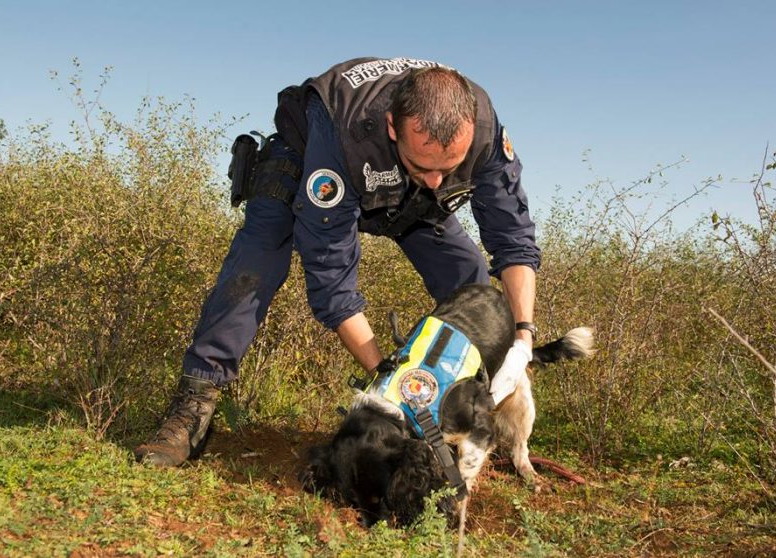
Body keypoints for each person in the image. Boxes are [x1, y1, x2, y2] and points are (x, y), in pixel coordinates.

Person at [133, 57, 541, 467]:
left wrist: (522, 337)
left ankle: (462, 415)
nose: (437, 181)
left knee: (471, 284)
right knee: (253, 269)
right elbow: (332, 281)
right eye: (424, 166)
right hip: (306, 160)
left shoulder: (483, 131)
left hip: (400, 194)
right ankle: (192, 408)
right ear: (392, 127)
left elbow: (514, 238)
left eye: (448, 169)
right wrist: (389, 384)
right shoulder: (347, 129)